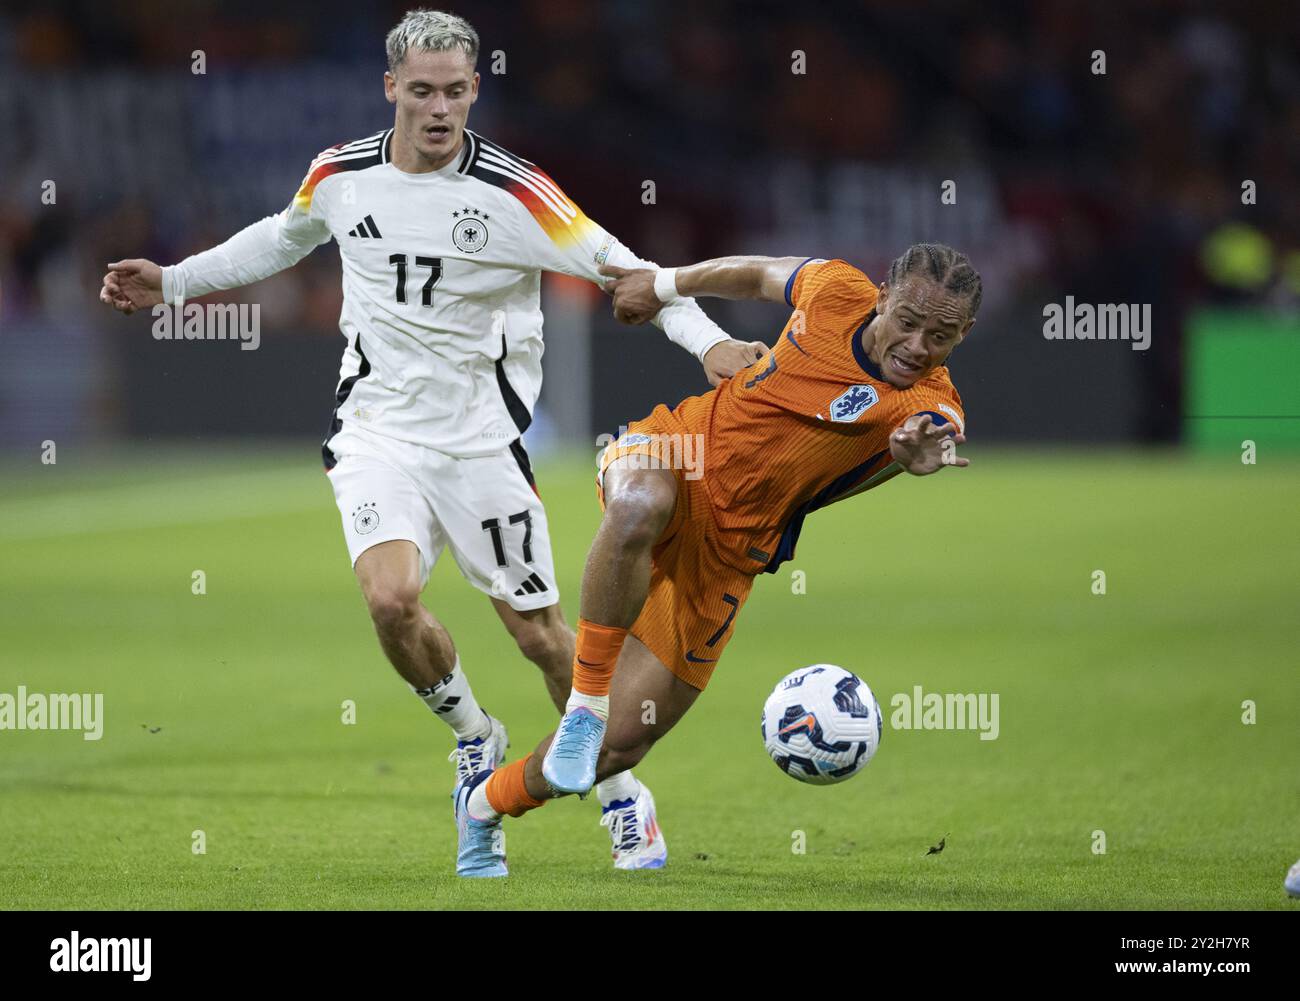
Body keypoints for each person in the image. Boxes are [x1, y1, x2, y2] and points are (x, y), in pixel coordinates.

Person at [97, 8, 765, 872]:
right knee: (390, 598)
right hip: (378, 430)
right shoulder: (340, 175)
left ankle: (619, 793)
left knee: (542, 637)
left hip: (482, 445)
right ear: (391, 89)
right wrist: (177, 281)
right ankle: (473, 734)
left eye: (455, 91)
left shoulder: (519, 195)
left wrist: (708, 342)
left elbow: (632, 271)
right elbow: (283, 235)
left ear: (475, 88)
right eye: (422, 92)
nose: (440, 108)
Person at [455, 245, 979, 877]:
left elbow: (930, 431)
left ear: (963, 335)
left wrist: (912, 450)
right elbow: (758, 274)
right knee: (635, 509)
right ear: (881, 297)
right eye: (908, 322)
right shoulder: (835, 289)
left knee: (623, 745)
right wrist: (664, 283)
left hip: (732, 554)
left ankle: (483, 804)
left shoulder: (931, 405)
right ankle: (583, 707)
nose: (920, 345)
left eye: (941, 336)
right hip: (680, 452)